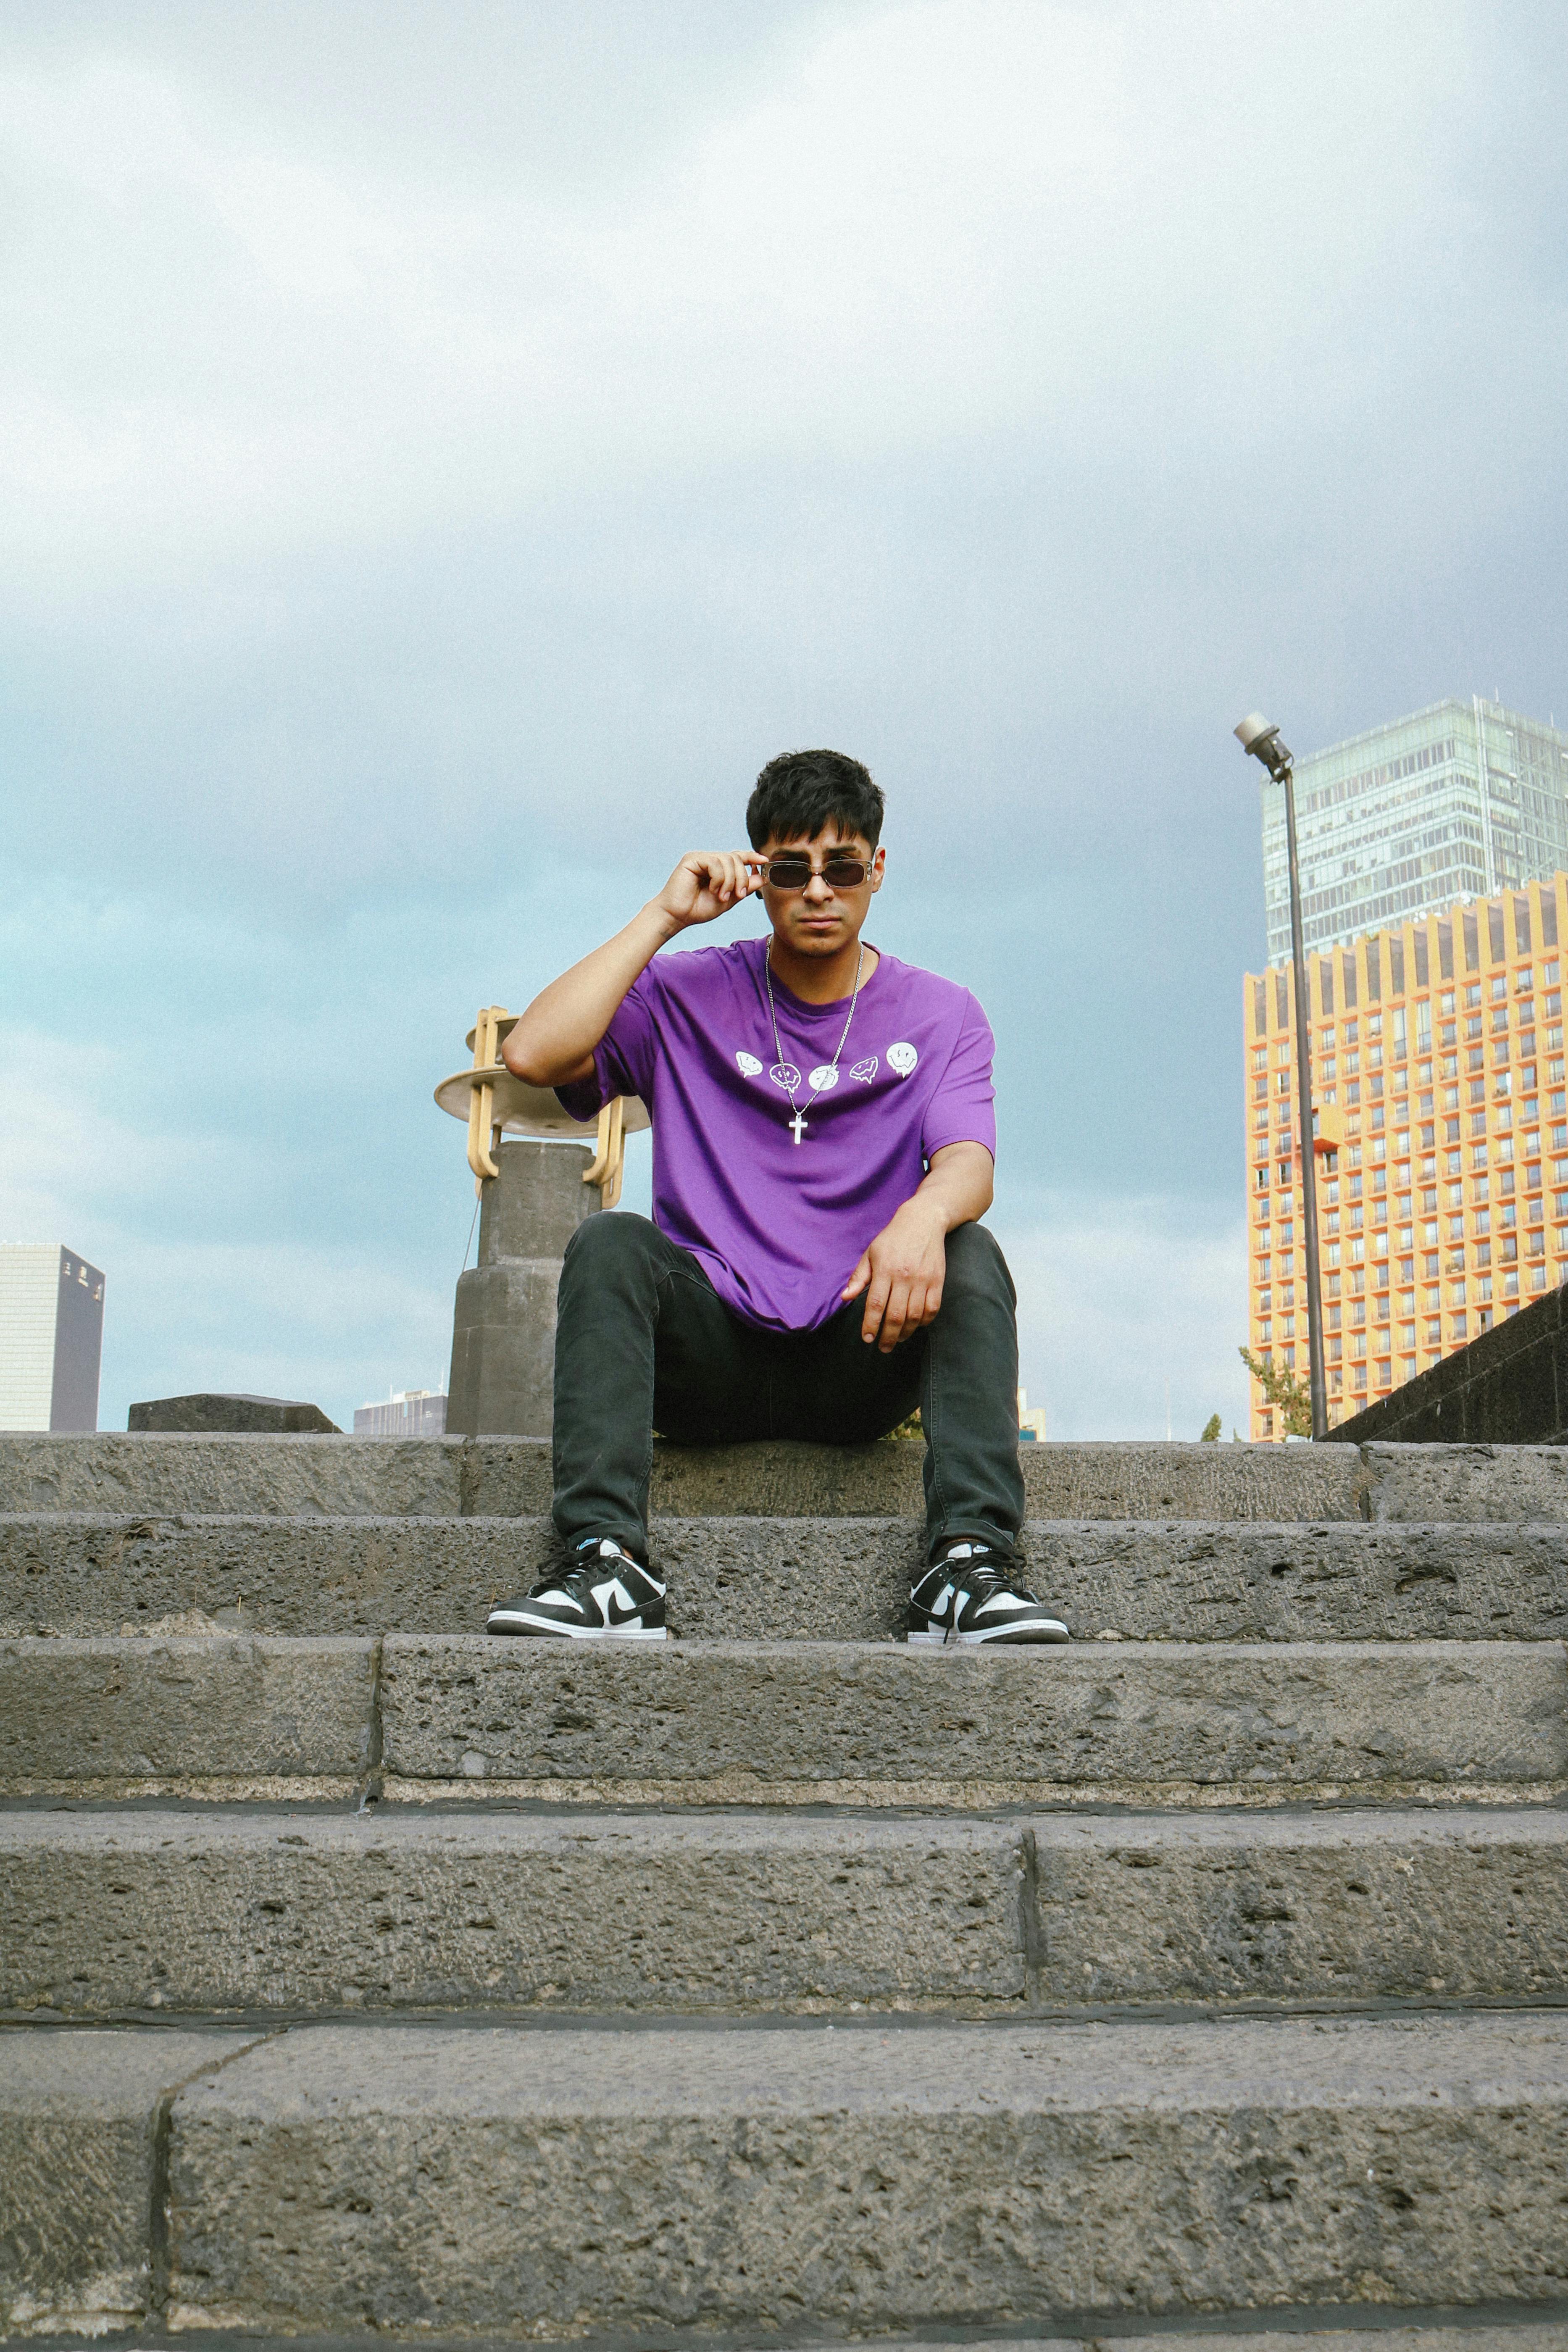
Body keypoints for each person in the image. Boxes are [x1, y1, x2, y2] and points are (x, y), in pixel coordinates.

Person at [486, 747, 1068, 1647]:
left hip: (857, 1348)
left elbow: (968, 1164)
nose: (818, 891)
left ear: (877, 869)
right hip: (706, 1355)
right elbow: (531, 1057)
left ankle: (968, 1568)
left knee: (969, 1248)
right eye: (792, 869)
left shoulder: (943, 1013)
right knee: (609, 1243)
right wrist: (661, 918)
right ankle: (604, 1563)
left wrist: (920, 1216)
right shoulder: (687, 992)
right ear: (760, 876)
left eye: (842, 867)